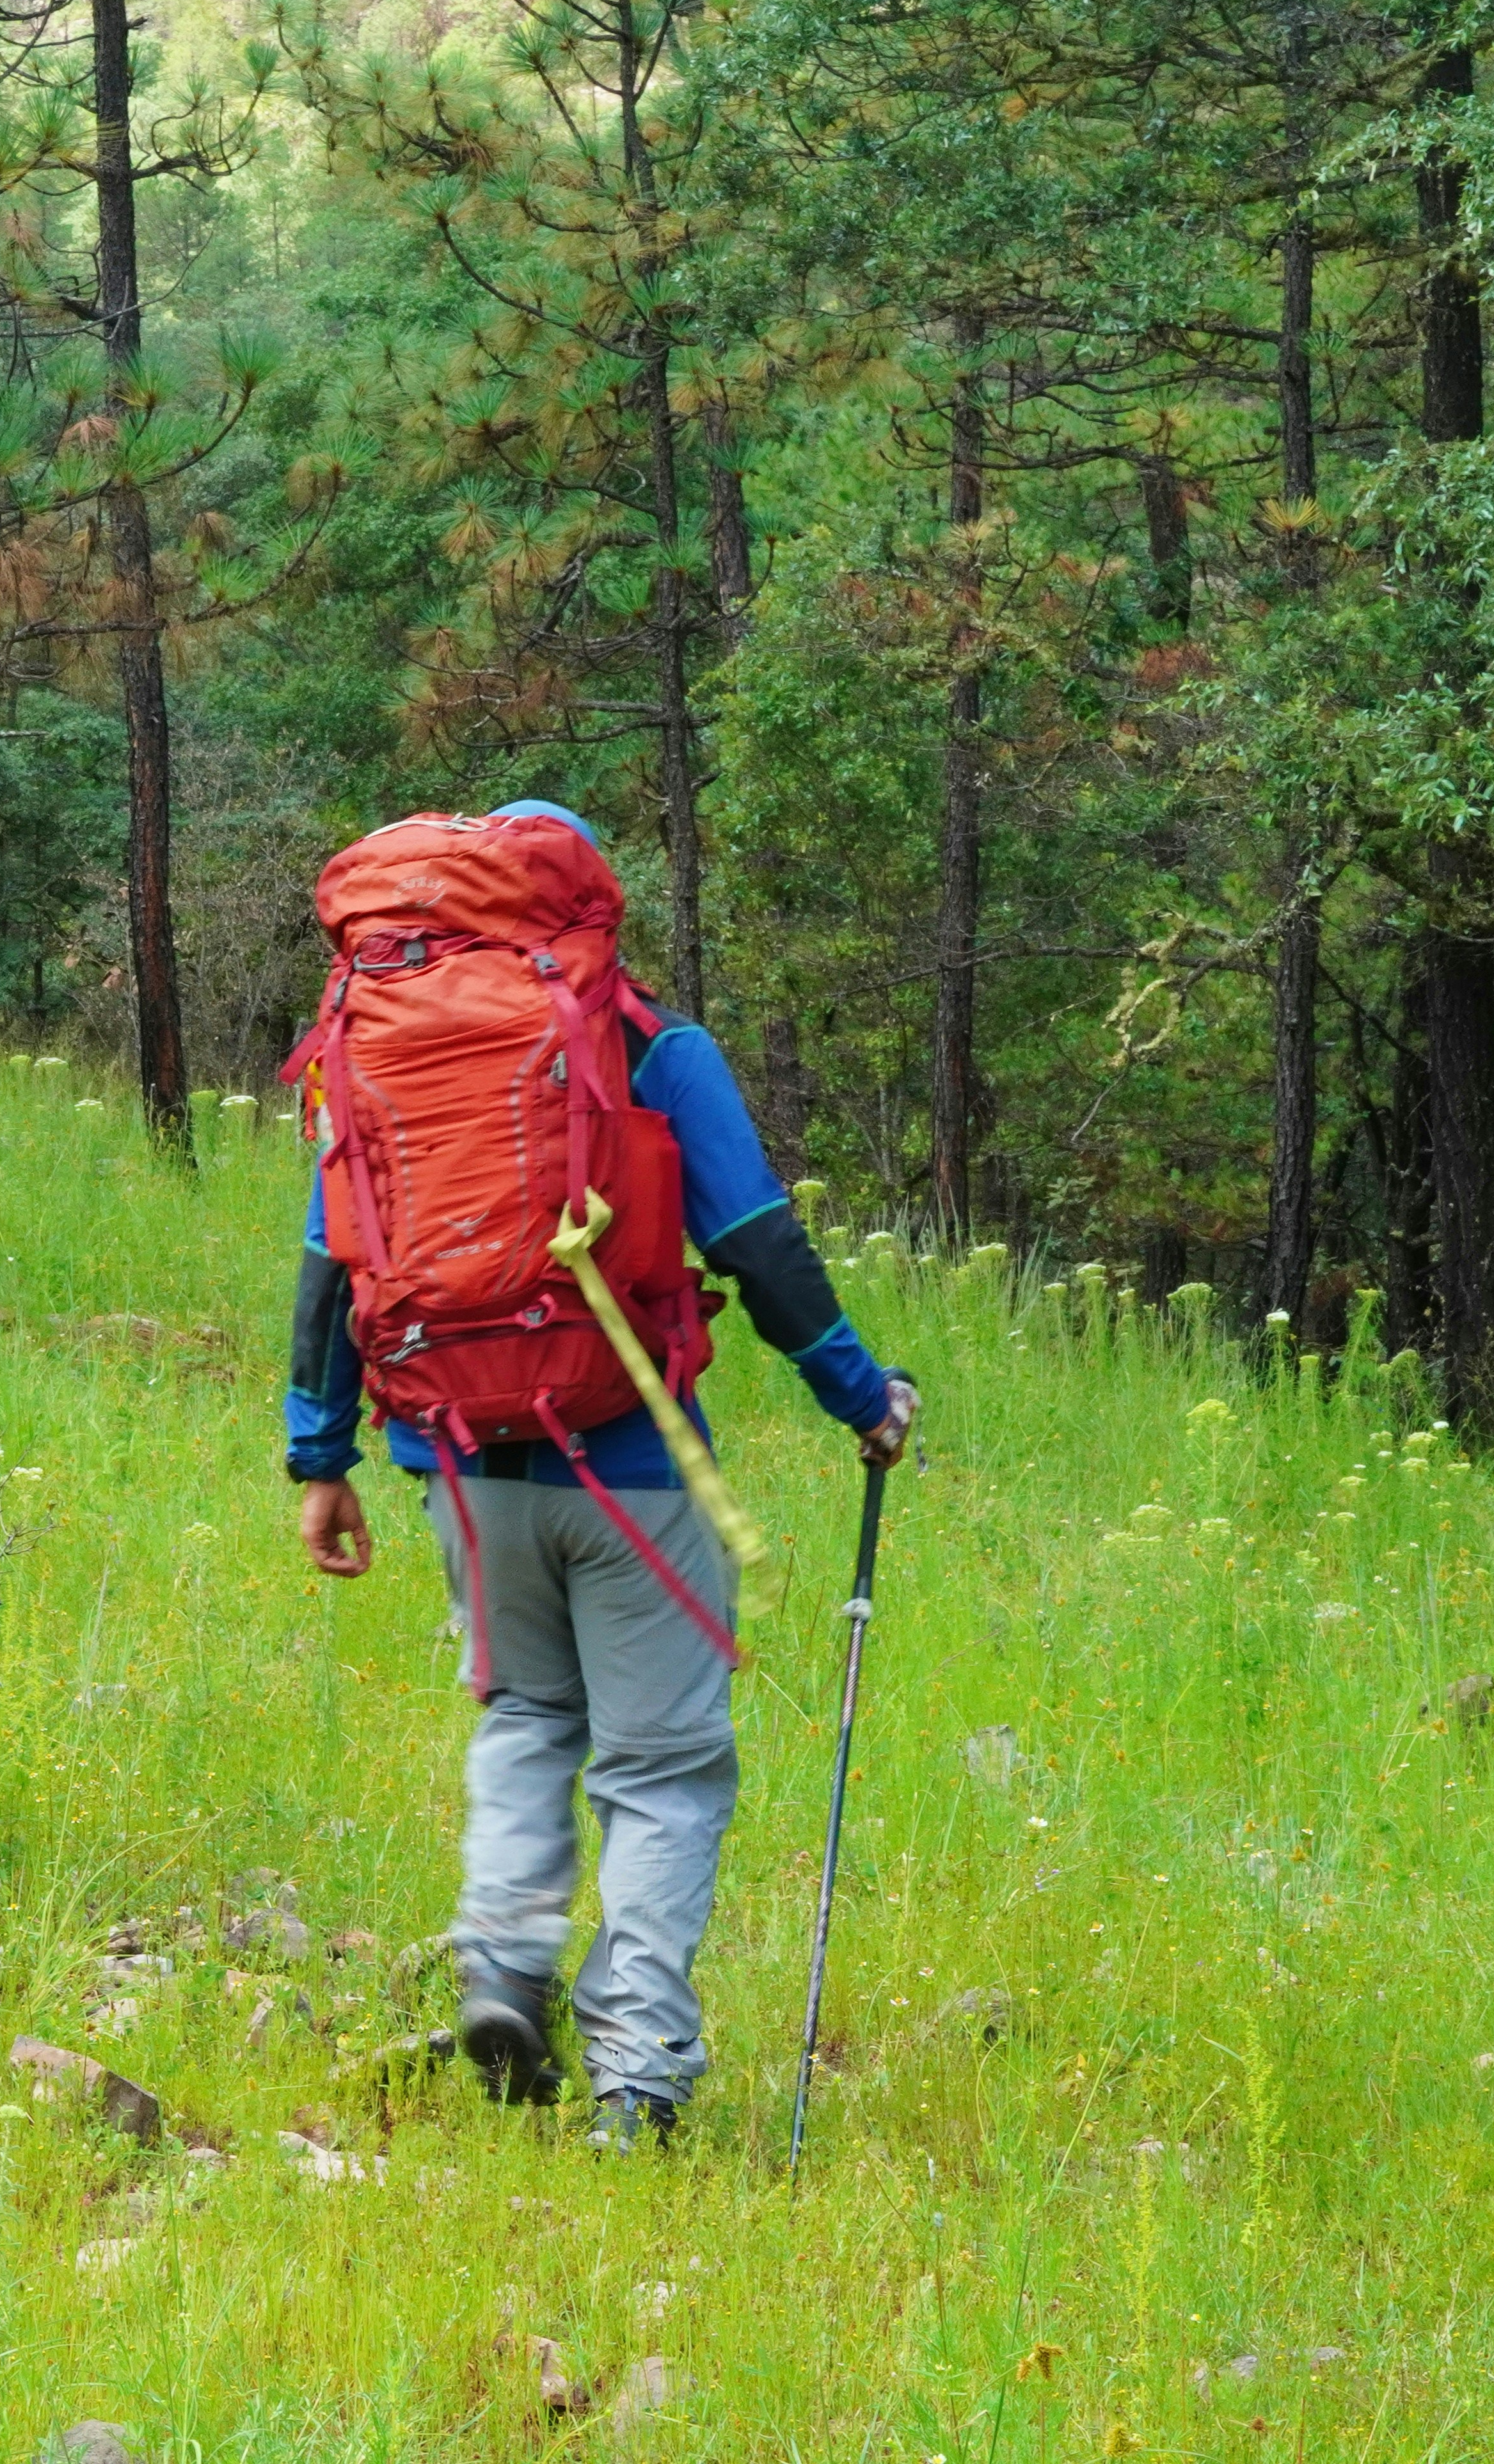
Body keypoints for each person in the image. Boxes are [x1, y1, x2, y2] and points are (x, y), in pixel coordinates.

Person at [285, 798, 916, 2152]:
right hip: (627, 1464)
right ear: (590, 905)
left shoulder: (376, 1043)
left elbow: (335, 1254)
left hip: (459, 1469)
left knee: (525, 1722)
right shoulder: (645, 1043)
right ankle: (638, 2080)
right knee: (664, 1771)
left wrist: (316, 1457)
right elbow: (755, 1242)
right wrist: (867, 1399)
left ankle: (505, 1969)